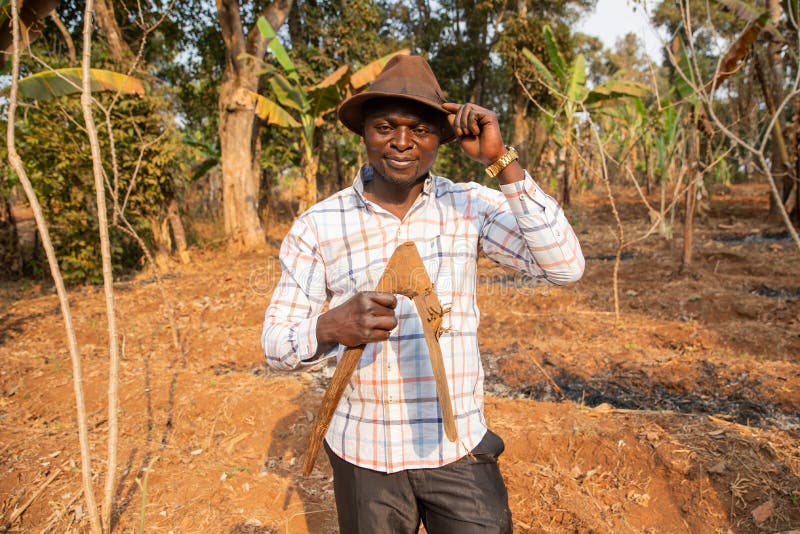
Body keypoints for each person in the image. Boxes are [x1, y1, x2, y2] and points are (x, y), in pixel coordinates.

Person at [262, 55, 584, 533]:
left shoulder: (470, 205)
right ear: (364, 133)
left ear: (440, 138)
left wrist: (501, 160)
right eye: (385, 126)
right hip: (365, 454)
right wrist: (332, 325)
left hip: (455, 448)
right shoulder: (320, 226)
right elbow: (275, 343)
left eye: (420, 129)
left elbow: (564, 266)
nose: (401, 142)